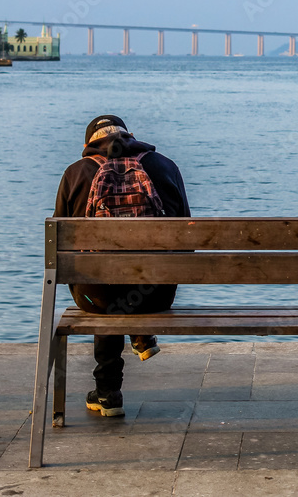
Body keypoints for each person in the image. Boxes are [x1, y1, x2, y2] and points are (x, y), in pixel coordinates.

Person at [54, 115, 190, 417]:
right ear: (130, 137)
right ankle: (140, 335)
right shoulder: (165, 166)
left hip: (97, 297)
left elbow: (61, 249)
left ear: (89, 145)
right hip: (156, 295)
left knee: (102, 282)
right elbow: (187, 242)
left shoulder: (75, 173)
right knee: (124, 282)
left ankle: (108, 392)